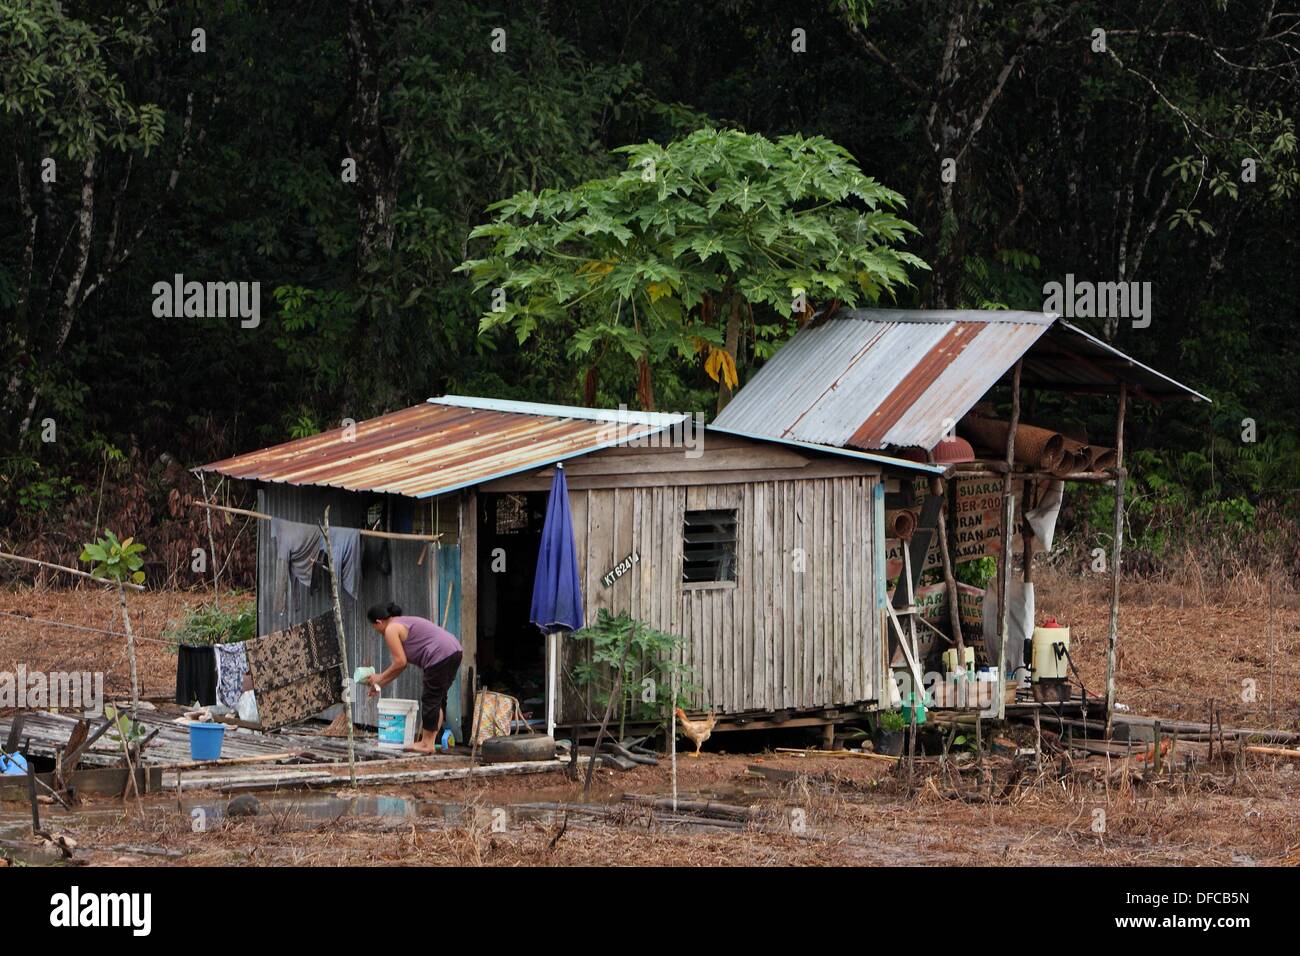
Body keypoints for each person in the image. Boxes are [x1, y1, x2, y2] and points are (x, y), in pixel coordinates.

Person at [364, 602, 463, 753]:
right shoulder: (400, 622)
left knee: (430, 699)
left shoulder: (391, 629)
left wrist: (379, 677)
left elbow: (400, 662)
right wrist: (379, 683)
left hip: (439, 655)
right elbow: (399, 667)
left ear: (378, 622)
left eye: (374, 627)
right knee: (438, 699)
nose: (376, 630)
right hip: (454, 651)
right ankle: (429, 741)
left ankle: (426, 744)